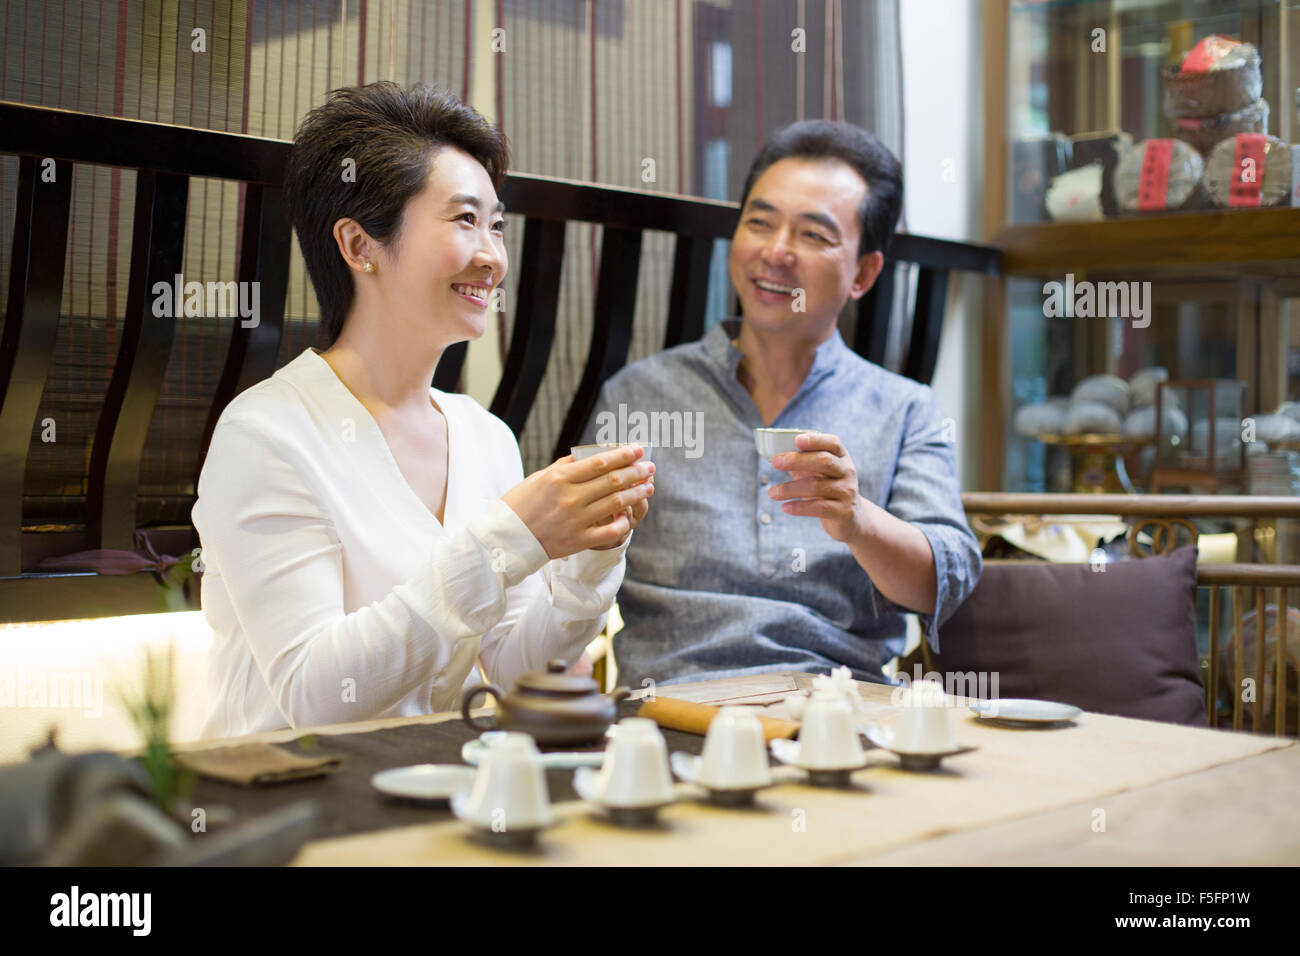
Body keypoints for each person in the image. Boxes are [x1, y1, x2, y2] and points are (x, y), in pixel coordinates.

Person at [193, 83, 653, 738]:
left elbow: (520, 675)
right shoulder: (266, 435)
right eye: (464, 221)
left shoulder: (485, 437)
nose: (492, 256)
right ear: (359, 246)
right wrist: (509, 541)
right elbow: (316, 697)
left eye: (497, 225)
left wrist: (589, 560)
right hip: (295, 812)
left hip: (441, 796)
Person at [581, 120, 981, 689]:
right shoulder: (641, 396)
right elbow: (577, 569)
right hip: (669, 709)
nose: (775, 252)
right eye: (759, 223)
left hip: (839, 714)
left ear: (864, 273)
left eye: (813, 235)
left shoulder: (905, 409)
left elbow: (944, 579)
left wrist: (856, 519)